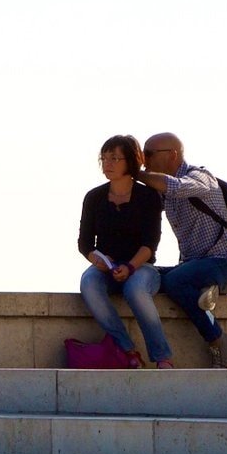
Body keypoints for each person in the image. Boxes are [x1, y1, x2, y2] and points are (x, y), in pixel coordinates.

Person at [139, 132, 227, 367]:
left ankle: (218, 339)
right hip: (192, 267)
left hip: (225, 263)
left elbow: (179, 187)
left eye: (148, 154)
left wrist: (136, 173)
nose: (144, 160)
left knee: (176, 281)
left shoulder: (200, 176)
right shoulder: (162, 192)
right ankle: (205, 290)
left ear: (172, 155)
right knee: (148, 274)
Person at [77, 134, 173, 367]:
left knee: (136, 290)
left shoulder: (148, 196)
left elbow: (150, 243)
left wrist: (130, 267)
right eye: (104, 158)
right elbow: (85, 242)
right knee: (88, 283)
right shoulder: (94, 197)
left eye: (114, 158)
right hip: (105, 267)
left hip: (141, 267)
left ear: (129, 161)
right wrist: (97, 259)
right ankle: (127, 350)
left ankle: (162, 357)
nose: (107, 164)